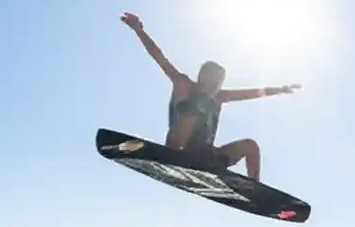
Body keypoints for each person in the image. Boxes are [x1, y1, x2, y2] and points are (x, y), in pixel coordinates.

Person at [121, 12, 300, 181]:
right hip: (177, 146)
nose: (212, 86)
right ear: (200, 77)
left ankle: (254, 188)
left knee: (250, 145)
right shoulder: (184, 84)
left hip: (205, 156)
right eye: (209, 80)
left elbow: (251, 93)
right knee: (196, 108)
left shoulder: (219, 96)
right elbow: (159, 57)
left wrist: (281, 89)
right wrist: (139, 30)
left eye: (217, 83)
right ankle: (179, 157)